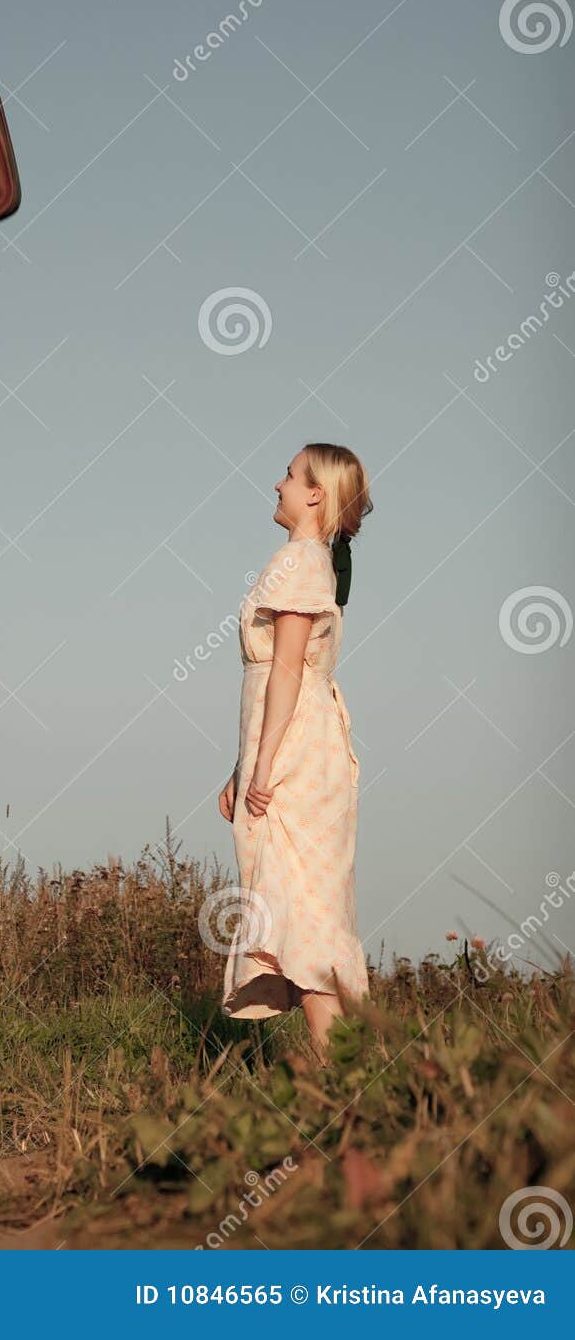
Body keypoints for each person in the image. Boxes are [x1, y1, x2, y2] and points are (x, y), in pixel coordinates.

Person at [218, 443, 372, 1055]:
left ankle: (344, 1082)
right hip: (291, 740)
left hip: (296, 748)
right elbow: (278, 680)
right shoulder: (307, 561)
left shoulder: (300, 562)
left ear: (316, 494)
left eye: (288, 475)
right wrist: (239, 766)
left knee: (299, 906)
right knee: (299, 905)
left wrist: (262, 765)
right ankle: (350, 1080)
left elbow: (285, 671)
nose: (276, 483)